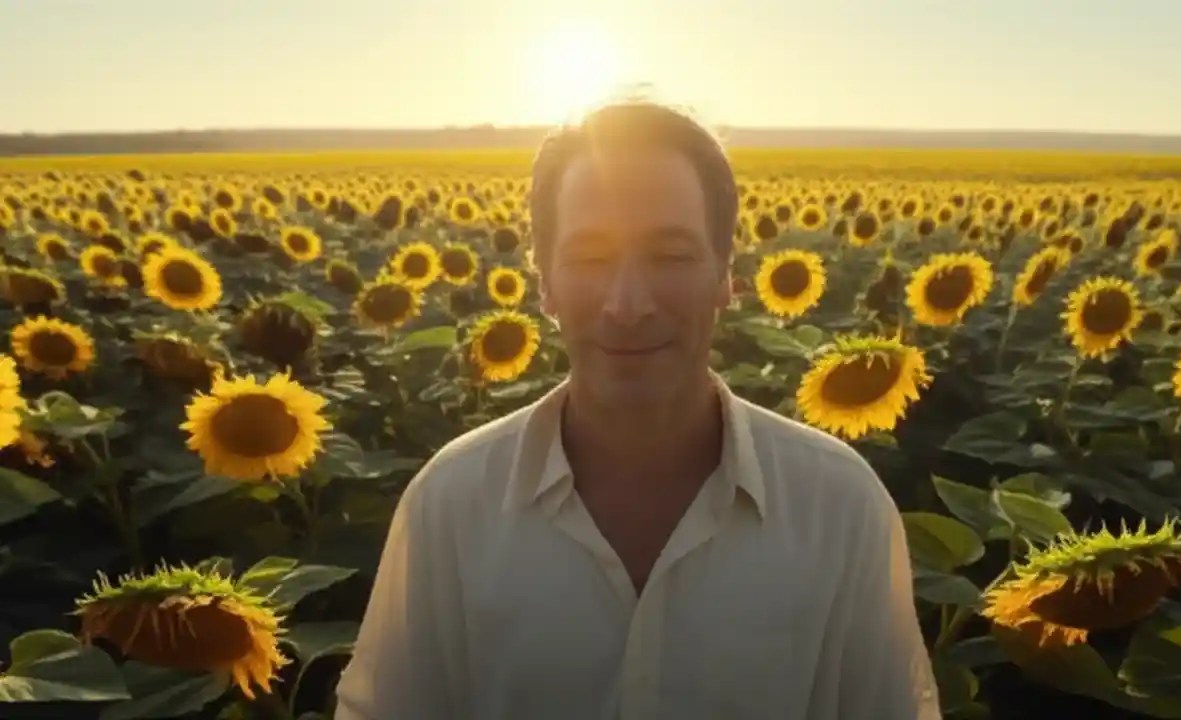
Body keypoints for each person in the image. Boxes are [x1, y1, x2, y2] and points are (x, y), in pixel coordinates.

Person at [334, 100, 941, 719]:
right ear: (542, 281)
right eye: (591, 258)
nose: (627, 304)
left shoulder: (837, 508)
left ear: (726, 274)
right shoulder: (453, 505)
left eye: (671, 256)